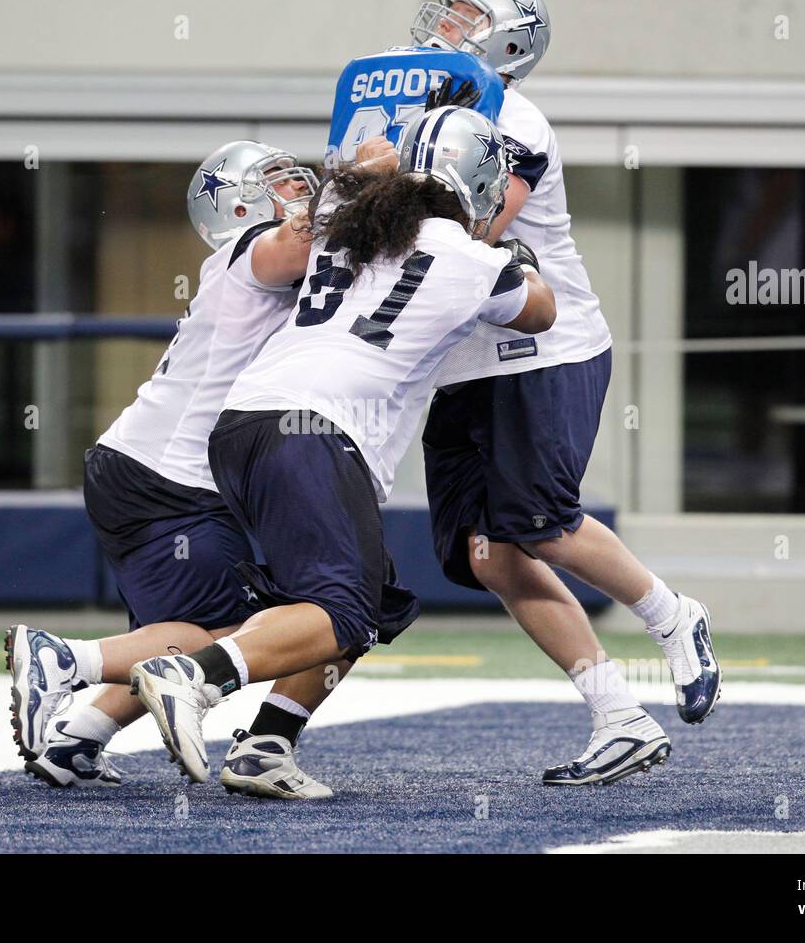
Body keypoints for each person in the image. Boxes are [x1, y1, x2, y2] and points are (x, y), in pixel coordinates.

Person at [130, 107, 558, 787]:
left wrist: (383, 159)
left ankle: (267, 746)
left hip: (247, 421)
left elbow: (362, 164)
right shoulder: (473, 259)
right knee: (339, 613)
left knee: (370, 600)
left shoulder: (341, 217)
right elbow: (541, 312)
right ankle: (192, 675)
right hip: (318, 428)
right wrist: (518, 258)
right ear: (471, 179)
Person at [404, 0, 720, 783]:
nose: (443, 28)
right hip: (464, 361)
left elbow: (472, 226)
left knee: (539, 522)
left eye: (463, 18)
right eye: (442, 11)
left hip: (543, 347)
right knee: (489, 556)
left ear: (508, 43)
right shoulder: (412, 114)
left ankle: (672, 614)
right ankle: (617, 716)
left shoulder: (512, 119)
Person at [5, 139, 334, 791]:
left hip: (154, 473)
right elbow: (296, 245)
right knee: (251, 630)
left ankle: (78, 739)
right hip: (172, 483)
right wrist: (368, 187)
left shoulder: (265, 266)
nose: (300, 191)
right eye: (279, 184)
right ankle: (64, 659)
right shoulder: (252, 253)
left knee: (177, 637)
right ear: (240, 207)